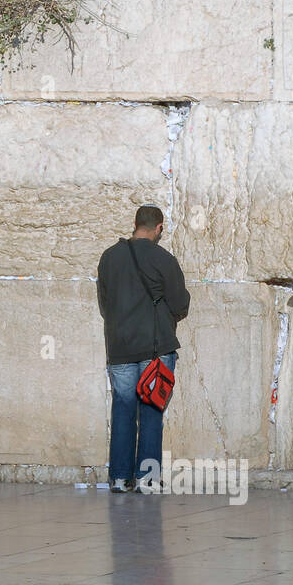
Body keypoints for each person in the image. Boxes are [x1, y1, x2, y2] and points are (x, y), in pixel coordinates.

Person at [96, 205, 191, 493]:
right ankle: (147, 478)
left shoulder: (109, 257)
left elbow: (105, 303)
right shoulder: (164, 259)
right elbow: (180, 305)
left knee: (123, 410)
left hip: (120, 346)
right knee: (151, 413)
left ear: (135, 224)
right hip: (155, 348)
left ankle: (120, 477)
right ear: (159, 228)